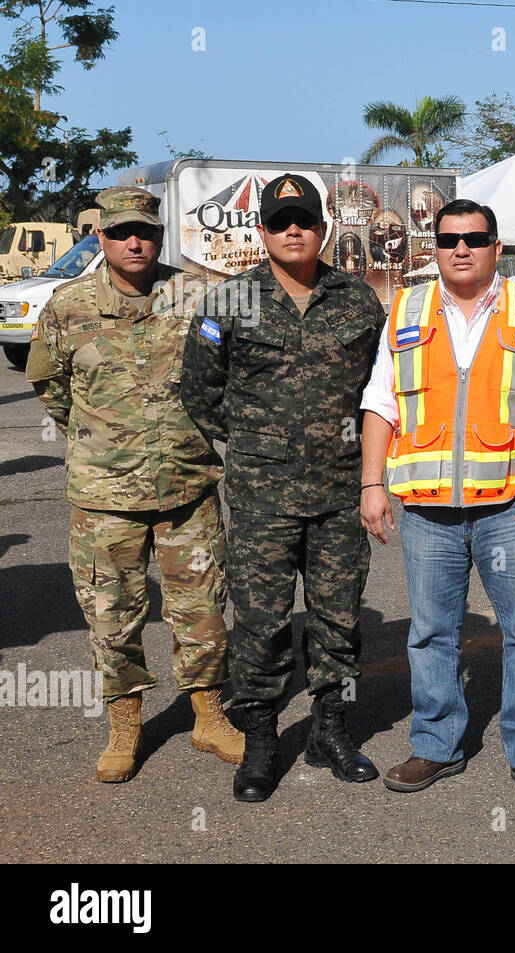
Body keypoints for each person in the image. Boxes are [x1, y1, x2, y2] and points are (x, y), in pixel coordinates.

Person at [27, 186, 243, 782]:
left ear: (159, 236)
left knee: (201, 610)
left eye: (144, 232)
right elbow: (51, 386)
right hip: (105, 498)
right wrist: (104, 441)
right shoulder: (67, 306)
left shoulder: (196, 295)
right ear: (101, 238)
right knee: (111, 613)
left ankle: (207, 715)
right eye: (121, 232)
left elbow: (224, 373)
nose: (133, 241)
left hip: (188, 488)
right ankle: (125, 725)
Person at [182, 174, 387, 802]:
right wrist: (254, 443)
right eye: (279, 221)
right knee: (261, 623)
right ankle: (263, 738)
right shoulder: (228, 303)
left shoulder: (358, 301)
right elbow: (199, 392)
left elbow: (381, 391)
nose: (292, 230)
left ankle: (330, 729)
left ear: (322, 229)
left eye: (303, 220)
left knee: (338, 617)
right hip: (261, 496)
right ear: (262, 231)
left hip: (338, 494)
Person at [359, 198, 515, 801]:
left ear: (496, 248)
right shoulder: (406, 307)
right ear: (435, 246)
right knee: (430, 632)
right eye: (450, 238)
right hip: (427, 510)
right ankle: (435, 745)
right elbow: (381, 401)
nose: (461, 248)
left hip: (513, 506)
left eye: (475, 239)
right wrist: (372, 483)